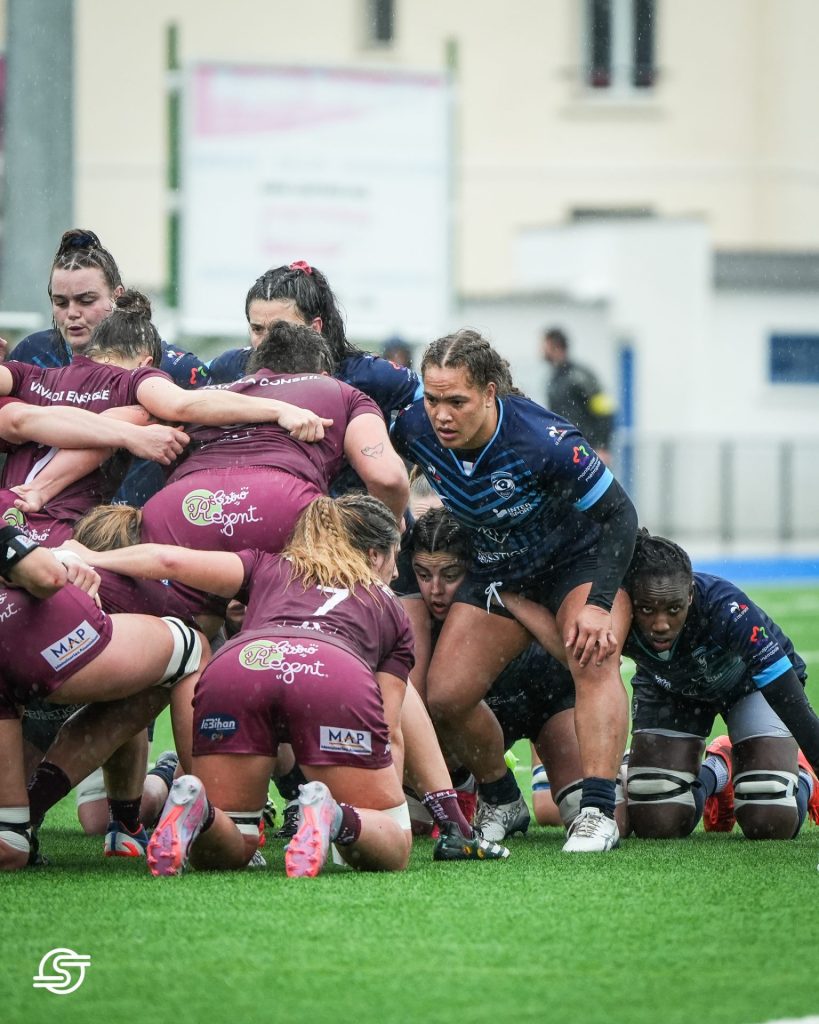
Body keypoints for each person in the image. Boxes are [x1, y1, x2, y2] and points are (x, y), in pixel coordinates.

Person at [391, 329, 637, 852]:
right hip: (499, 570)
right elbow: (377, 478)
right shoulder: (412, 428)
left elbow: (621, 515)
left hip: (576, 562)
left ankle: (597, 813)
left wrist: (597, 606)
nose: (441, 415)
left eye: (456, 401)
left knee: (593, 656)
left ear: (489, 393)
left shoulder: (541, 441)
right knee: (445, 697)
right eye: (433, 399)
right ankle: (502, 798)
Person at [0, 291, 331, 544]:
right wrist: (280, 409)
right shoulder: (134, 383)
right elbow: (184, 406)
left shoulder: (31, 376)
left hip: (7, 513)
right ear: (147, 362)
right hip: (58, 536)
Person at [400, 506, 629, 838]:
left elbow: (574, 658)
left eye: (450, 575)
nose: (435, 590)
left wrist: (514, 602)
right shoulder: (410, 608)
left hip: (548, 699)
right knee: (415, 822)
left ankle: (620, 766)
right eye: (423, 574)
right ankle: (496, 793)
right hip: (479, 718)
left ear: (473, 568)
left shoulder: (507, 573)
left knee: (593, 817)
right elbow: (414, 702)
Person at [0, 524, 209, 870]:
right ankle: (205, 820)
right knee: (192, 650)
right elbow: (47, 576)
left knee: (10, 841)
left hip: (27, 667)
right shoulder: (149, 590)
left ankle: (121, 821)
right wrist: (60, 559)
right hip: (40, 646)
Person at [137, 319, 409, 553]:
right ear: (323, 374)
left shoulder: (206, 398)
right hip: (280, 503)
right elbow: (387, 477)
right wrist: (389, 529)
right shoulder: (340, 391)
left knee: (192, 613)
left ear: (252, 373)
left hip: (182, 506)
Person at [623, 529, 819, 841]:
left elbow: (792, 704)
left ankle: (805, 778)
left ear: (690, 595)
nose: (661, 624)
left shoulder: (726, 607)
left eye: (674, 609)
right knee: (656, 819)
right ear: (631, 600)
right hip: (669, 689)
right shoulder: (616, 609)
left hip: (748, 687)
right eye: (647, 609)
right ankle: (719, 770)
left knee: (768, 816)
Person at [8, 229, 213, 505]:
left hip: (131, 523)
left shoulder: (176, 366)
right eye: (60, 302)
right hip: (29, 512)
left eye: (86, 300)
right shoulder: (34, 353)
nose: (72, 313)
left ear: (117, 297)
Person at [542, 327, 616, 465]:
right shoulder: (554, 379)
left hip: (587, 449)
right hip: (566, 450)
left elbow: (605, 412)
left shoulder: (581, 376)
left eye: (544, 346)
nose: (541, 351)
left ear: (556, 347)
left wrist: (602, 446)